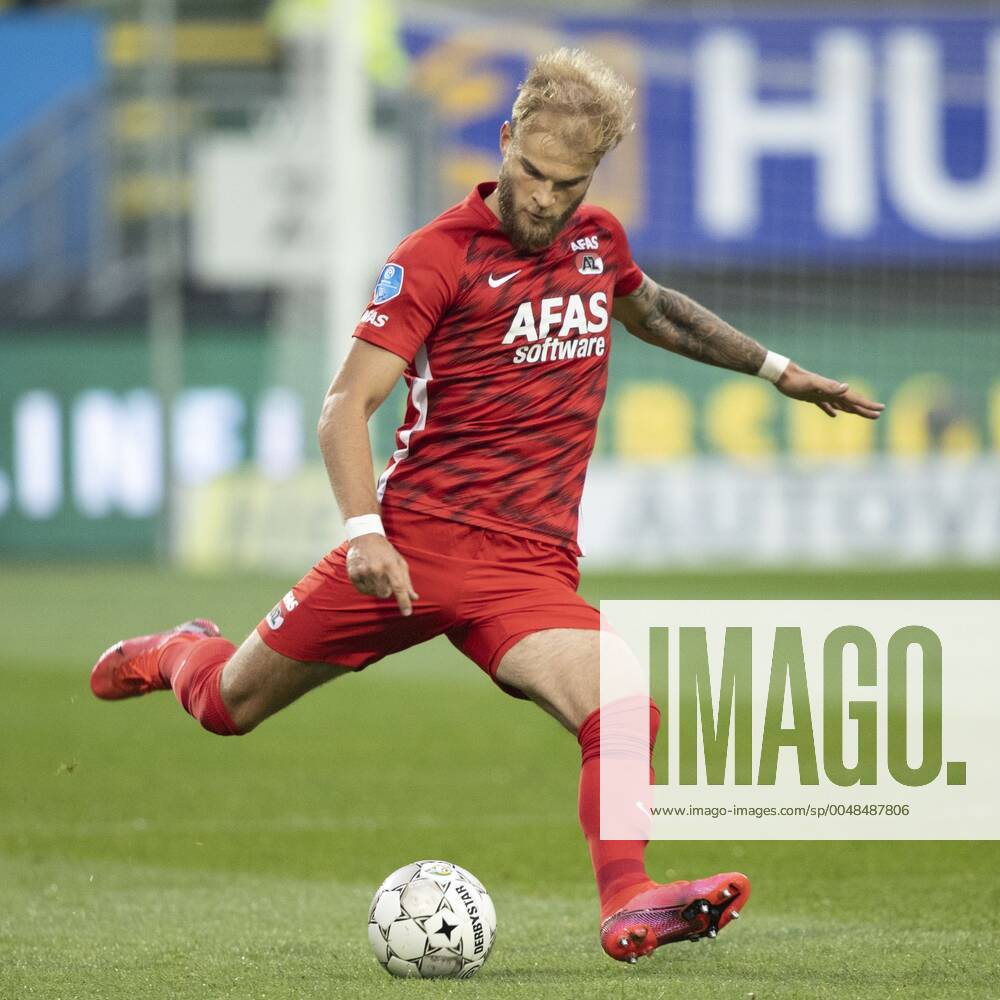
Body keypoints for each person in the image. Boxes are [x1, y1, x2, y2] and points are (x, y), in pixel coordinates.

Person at [90, 48, 884, 963]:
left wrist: (778, 370)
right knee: (229, 705)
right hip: (414, 549)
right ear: (505, 141)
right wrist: (364, 533)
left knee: (623, 701)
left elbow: (656, 310)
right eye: (531, 173)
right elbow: (344, 406)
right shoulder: (435, 258)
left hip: (527, 569)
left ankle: (629, 899)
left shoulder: (598, 241)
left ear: (594, 176)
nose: (544, 199)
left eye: (568, 185)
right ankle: (178, 650)